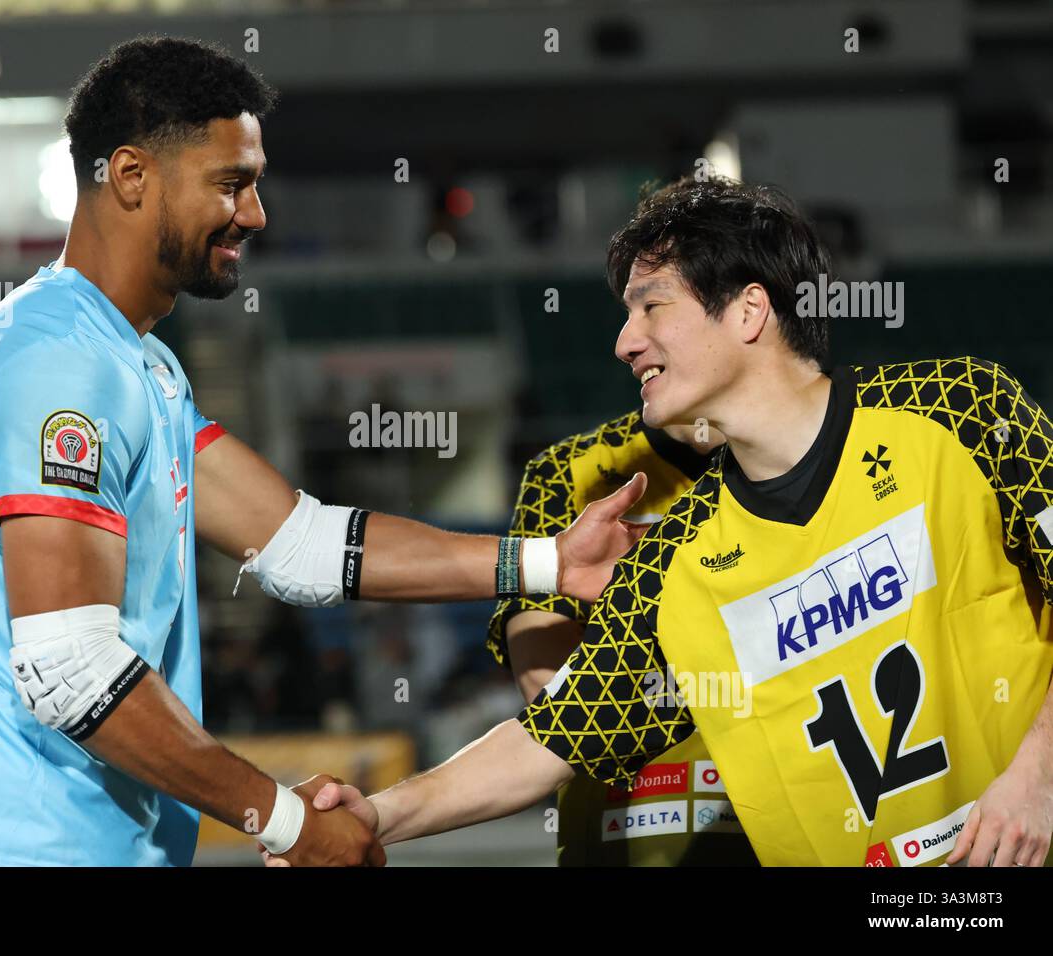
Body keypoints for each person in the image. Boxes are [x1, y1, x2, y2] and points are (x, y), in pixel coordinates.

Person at [0, 36, 641, 868]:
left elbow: (299, 544)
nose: (255, 215)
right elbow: (69, 670)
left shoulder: (134, 363)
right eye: (232, 184)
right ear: (130, 177)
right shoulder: (62, 367)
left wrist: (551, 563)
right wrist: (286, 821)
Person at [283, 175, 1053, 868]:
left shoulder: (963, 410)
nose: (625, 342)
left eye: (653, 306)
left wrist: (1037, 780)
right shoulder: (676, 556)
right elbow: (554, 735)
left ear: (750, 309)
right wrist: (378, 813)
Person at [489, 412, 759, 865]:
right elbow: (545, 685)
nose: (631, 344)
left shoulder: (816, 448)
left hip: (804, 802)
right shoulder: (566, 470)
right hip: (637, 817)